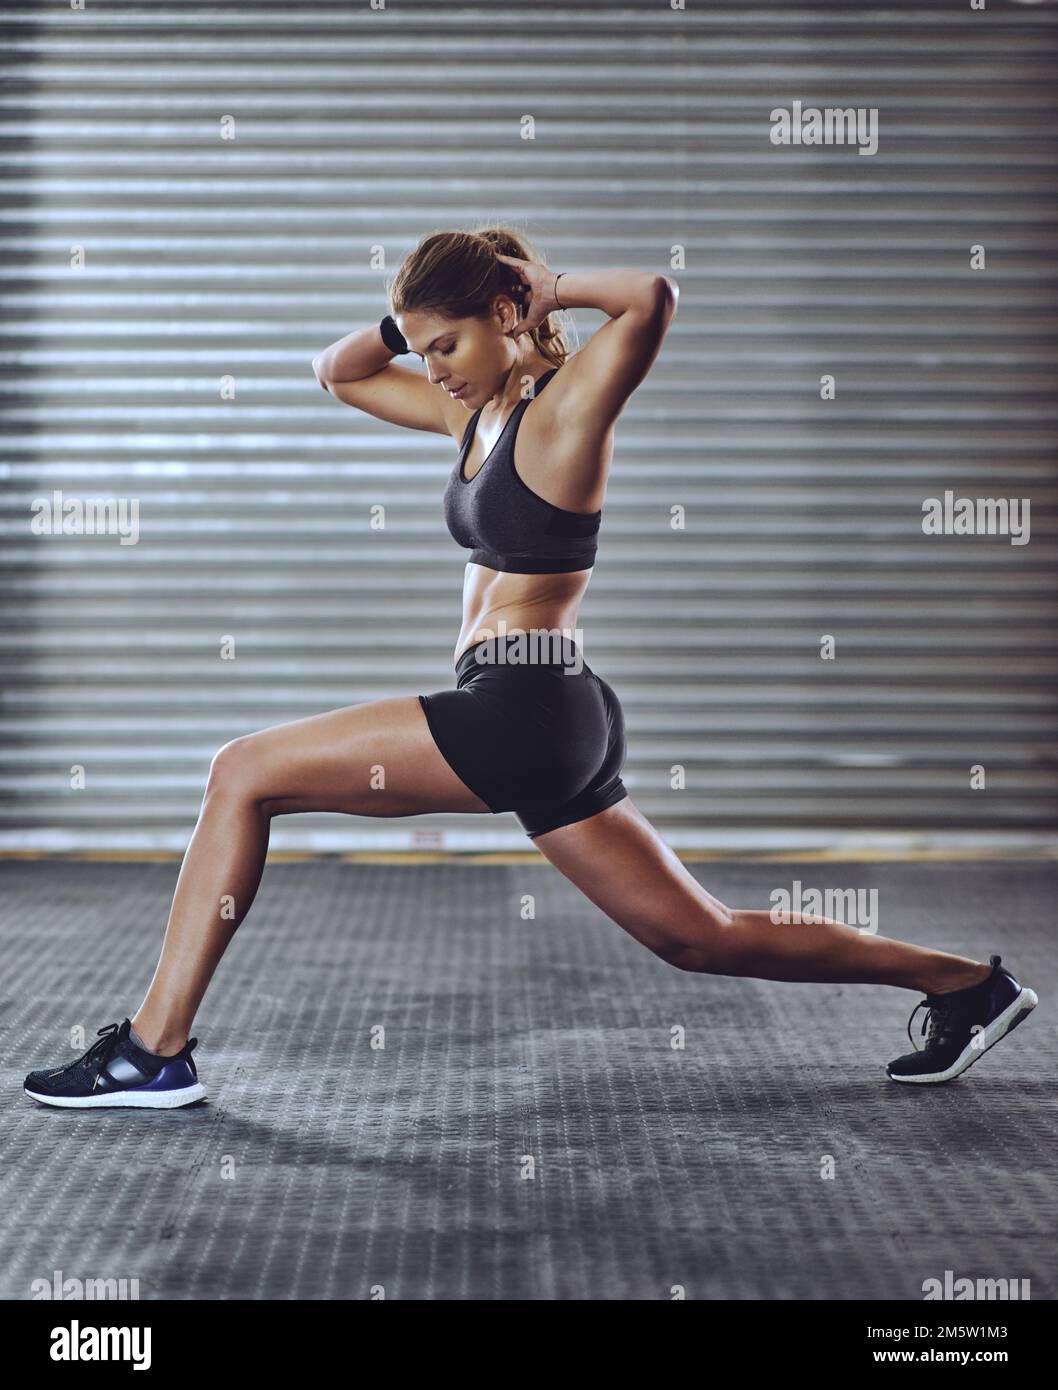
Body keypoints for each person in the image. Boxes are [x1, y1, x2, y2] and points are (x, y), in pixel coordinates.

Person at [23, 226, 1037, 1108]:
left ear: (509, 312)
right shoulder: (472, 414)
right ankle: (961, 985)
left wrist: (545, 290)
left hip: (523, 704)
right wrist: (404, 325)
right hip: (544, 713)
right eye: (423, 351)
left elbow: (649, 296)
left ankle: (154, 1053)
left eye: (448, 343)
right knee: (697, 935)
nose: (434, 369)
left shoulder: (563, 410)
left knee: (241, 770)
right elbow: (332, 373)